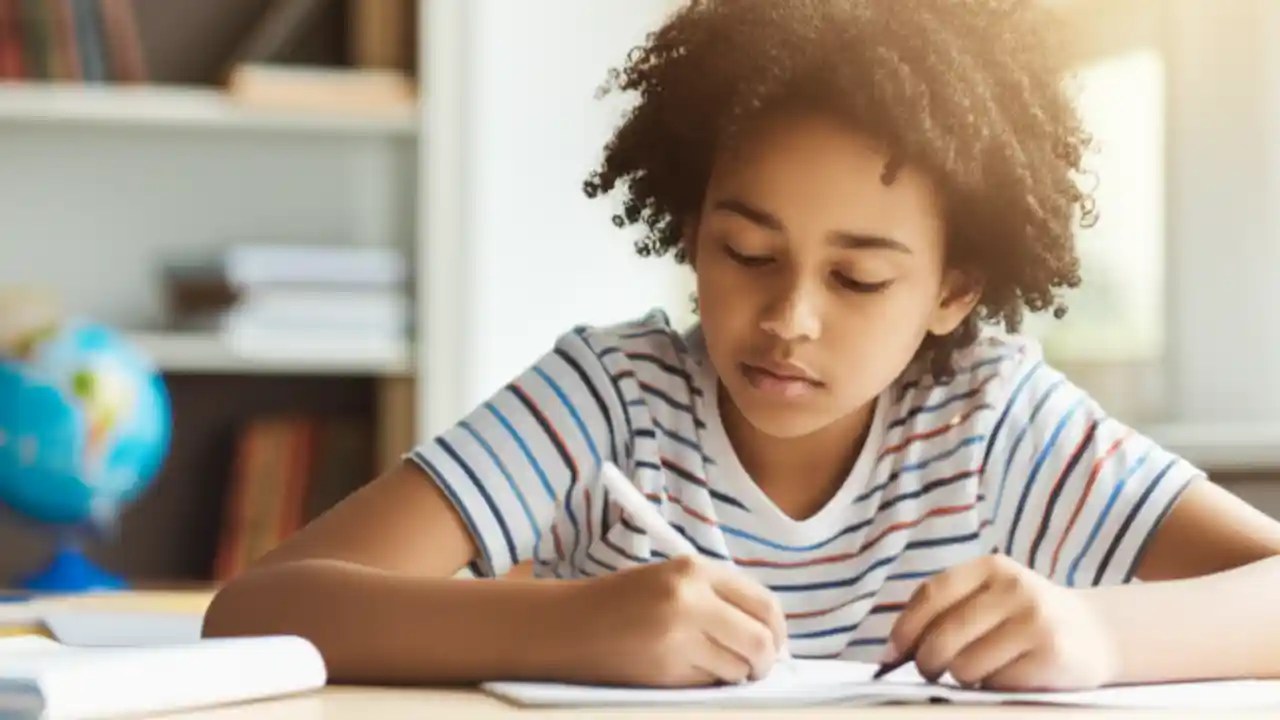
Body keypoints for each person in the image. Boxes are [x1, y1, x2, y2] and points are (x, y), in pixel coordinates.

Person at [203, 0, 1280, 691]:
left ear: (954, 286)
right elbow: (259, 612)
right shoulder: (607, 400)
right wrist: (565, 626)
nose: (788, 319)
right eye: (744, 250)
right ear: (689, 224)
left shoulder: (993, 424)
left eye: (858, 277)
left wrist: (1098, 636)